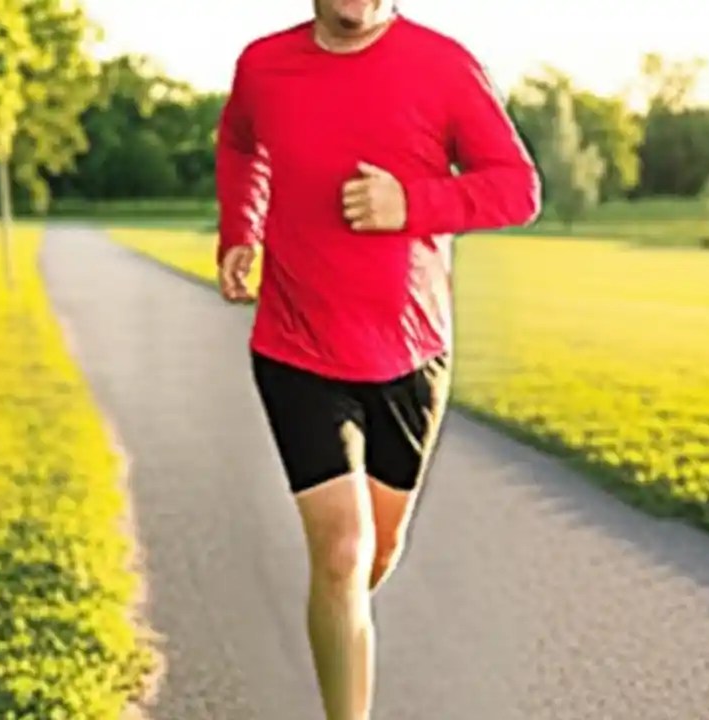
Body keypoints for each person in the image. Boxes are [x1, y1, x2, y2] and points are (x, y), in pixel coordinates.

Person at [214, 1, 542, 718]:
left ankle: (337, 619)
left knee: (373, 555)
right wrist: (242, 226)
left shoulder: (445, 65)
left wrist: (411, 204)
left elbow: (518, 189)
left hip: (409, 355)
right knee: (341, 549)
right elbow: (241, 145)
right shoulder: (264, 65)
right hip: (295, 343)